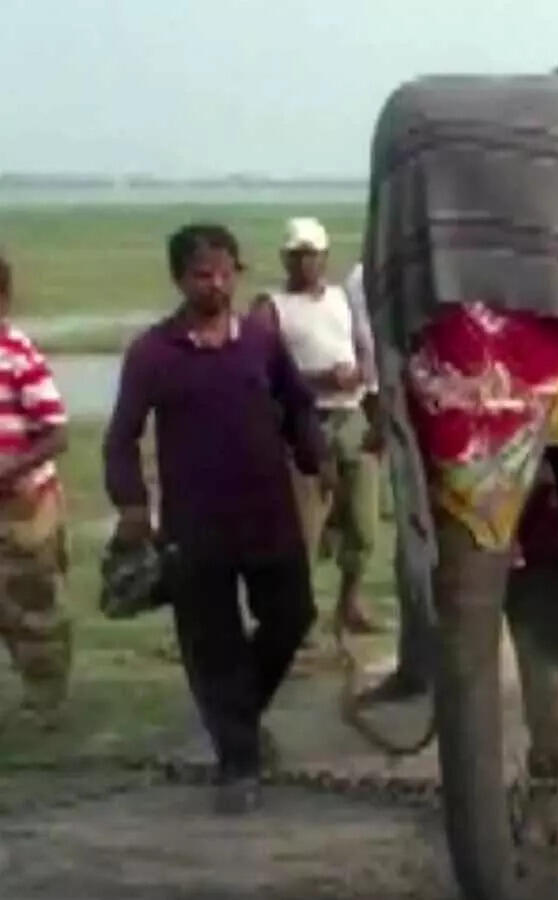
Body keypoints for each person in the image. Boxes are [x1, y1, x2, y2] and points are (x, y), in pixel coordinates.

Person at [104, 224, 323, 813]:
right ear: (179, 279)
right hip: (195, 527)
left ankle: (237, 719)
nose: (218, 284)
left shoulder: (259, 341)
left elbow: (298, 403)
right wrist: (131, 506)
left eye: (227, 272)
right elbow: (121, 438)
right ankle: (239, 767)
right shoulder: (153, 353)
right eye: (204, 274)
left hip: (269, 514)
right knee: (214, 644)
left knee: (293, 616)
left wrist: (314, 456)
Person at [250, 218, 383, 635]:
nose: (305, 262)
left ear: (325, 256)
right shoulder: (270, 308)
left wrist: (365, 384)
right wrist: (320, 380)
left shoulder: (342, 299)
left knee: (364, 524)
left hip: (351, 415)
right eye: (297, 255)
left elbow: (365, 349)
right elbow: (259, 377)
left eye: (312, 254)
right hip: (302, 423)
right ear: (285, 258)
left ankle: (349, 601)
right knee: (302, 529)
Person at [342, 262, 432, 705]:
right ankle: (421, 669)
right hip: (417, 419)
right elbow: (372, 355)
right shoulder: (368, 277)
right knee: (416, 553)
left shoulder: (370, 275)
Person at [0, 250, 72, 731]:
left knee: (35, 608)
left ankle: (44, 706)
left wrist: (12, 467)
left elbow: (56, 432)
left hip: (21, 504)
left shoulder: (16, 351)